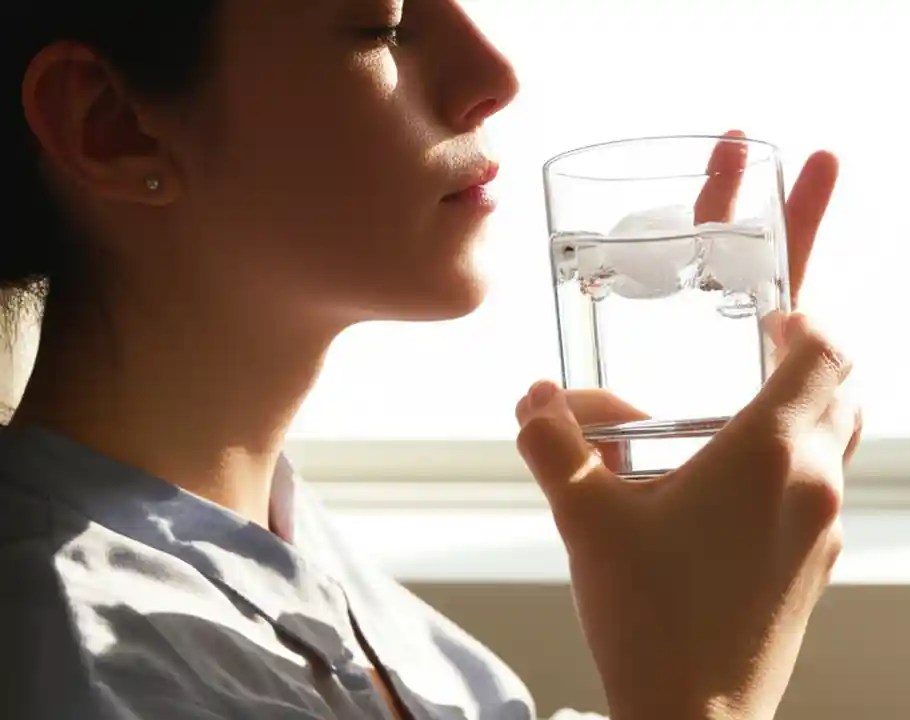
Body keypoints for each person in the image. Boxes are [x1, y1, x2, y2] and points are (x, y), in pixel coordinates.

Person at [0, 2, 860, 719]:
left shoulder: (295, 558)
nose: (494, 74)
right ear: (110, 126)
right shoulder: (83, 666)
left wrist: (701, 562)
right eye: (386, 25)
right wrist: (700, 691)